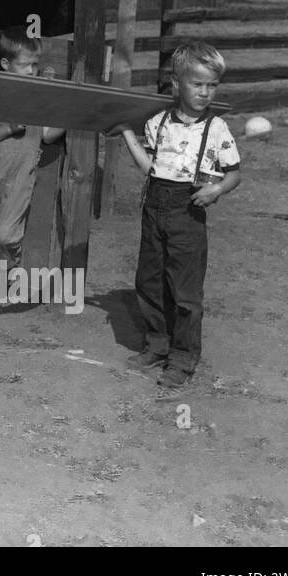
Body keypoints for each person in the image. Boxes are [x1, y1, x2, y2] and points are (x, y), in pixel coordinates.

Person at [112, 40, 241, 391]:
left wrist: (216, 190)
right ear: (176, 84)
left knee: (185, 291)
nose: (205, 92)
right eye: (197, 84)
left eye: (211, 85)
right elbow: (149, 168)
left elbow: (234, 173)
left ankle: (183, 359)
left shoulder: (216, 129)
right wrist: (126, 133)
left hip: (187, 211)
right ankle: (158, 344)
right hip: (154, 205)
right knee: (149, 280)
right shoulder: (158, 122)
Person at [0, 29, 65, 315]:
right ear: (7, 65)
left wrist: (66, 114)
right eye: (27, 65)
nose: (33, 71)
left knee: (5, 235)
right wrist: (8, 129)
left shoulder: (38, 99)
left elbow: (47, 135)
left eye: (36, 65)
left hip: (23, 176)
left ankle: (13, 271)